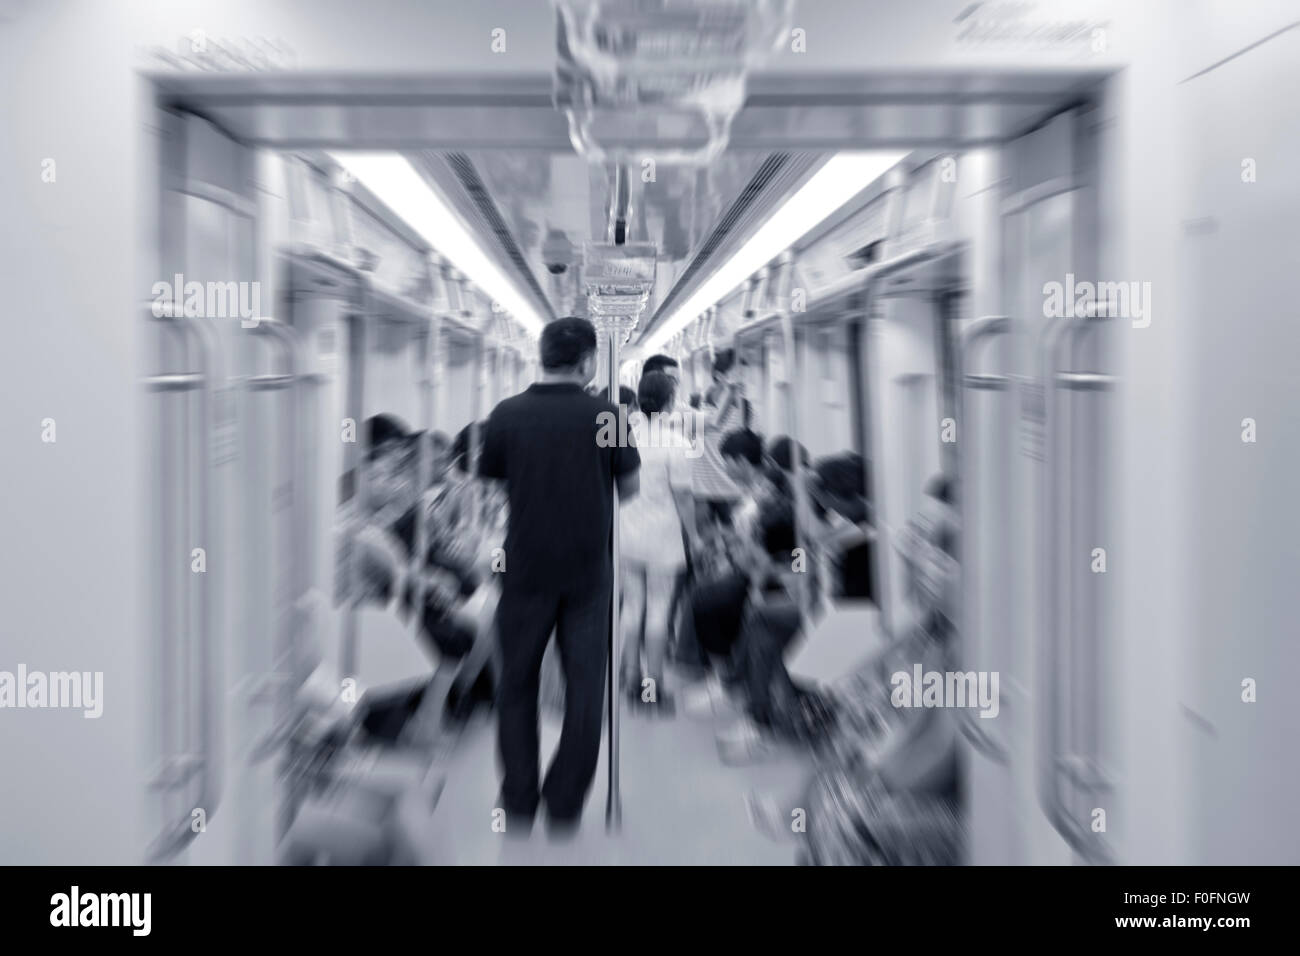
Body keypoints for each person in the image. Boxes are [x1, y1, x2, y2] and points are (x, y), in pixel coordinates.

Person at [477, 316, 640, 837]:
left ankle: (519, 799)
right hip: (589, 574)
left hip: (522, 570)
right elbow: (629, 489)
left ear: (540, 356)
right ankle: (566, 801)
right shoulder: (608, 415)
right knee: (587, 688)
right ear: (589, 361)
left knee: (516, 686)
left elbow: (493, 488)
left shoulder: (505, 414)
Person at [618, 370, 695, 716]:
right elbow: (684, 498)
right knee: (659, 609)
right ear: (668, 403)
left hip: (626, 533)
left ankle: (630, 677)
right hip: (662, 536)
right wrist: (694, 537)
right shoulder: (677, 444)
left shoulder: (621, 435)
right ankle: (652, 688)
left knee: (632, 606)